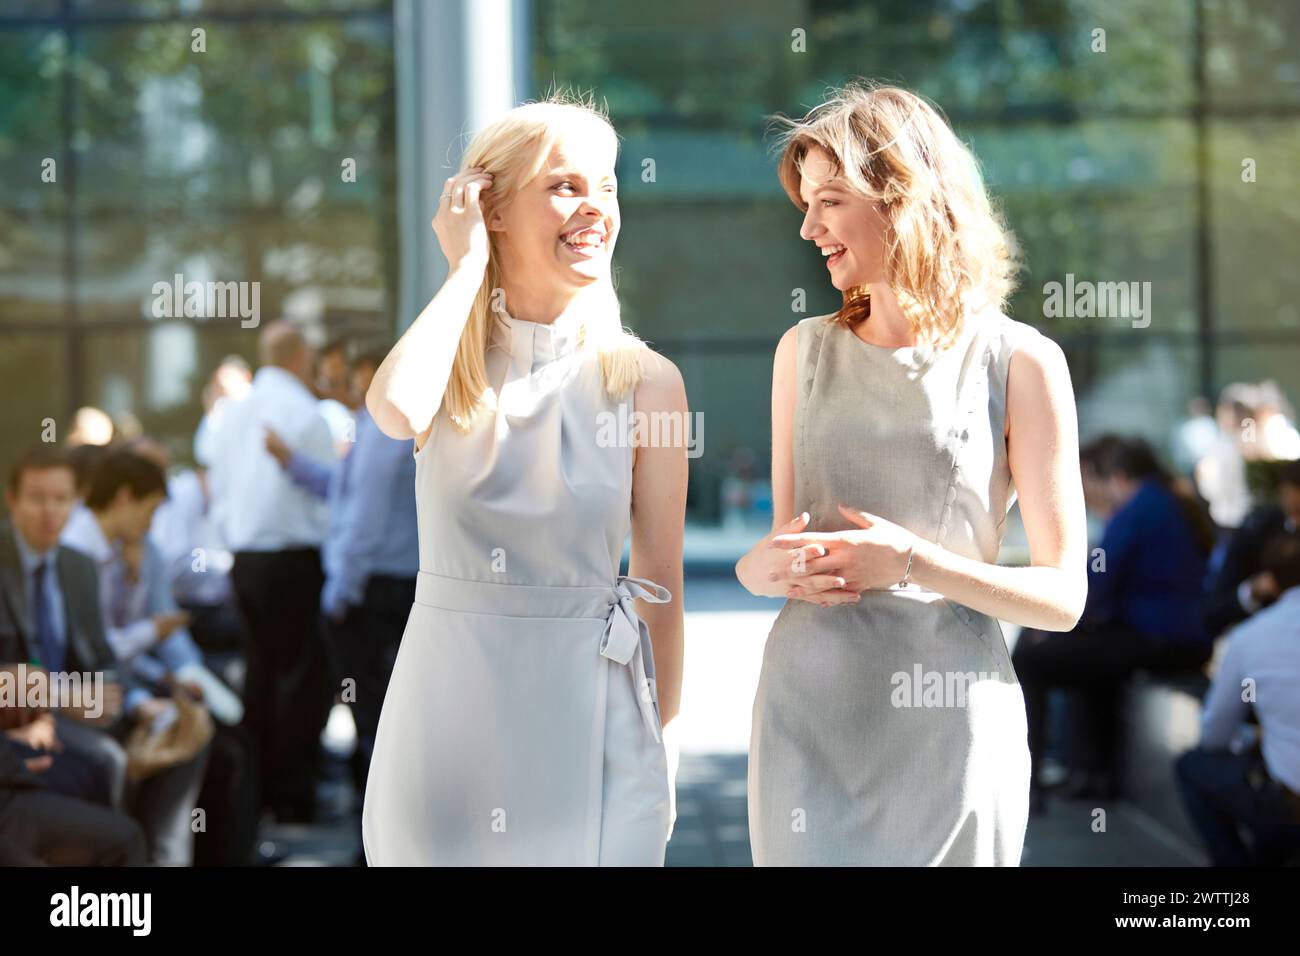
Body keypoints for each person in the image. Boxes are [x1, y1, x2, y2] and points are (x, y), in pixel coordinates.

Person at [735, 81, 1088, 866]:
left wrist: (917, 563)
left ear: (900, 196)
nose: (808, 226)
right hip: (806, 720)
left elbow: (1065, 599)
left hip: (951, 730)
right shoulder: (803, 352)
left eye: (829, 200)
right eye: (805, 203)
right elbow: (782, 553)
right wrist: (756, 569)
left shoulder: (1020, 360)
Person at [361, 93, 689, 865]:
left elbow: (660, 584)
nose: (597, 208)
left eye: (608, 185)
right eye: (565, 185)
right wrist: (467, 264)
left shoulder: (648, 382)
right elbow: (395, 409)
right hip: (443, 731)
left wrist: (659, 755)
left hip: (597, 727)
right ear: (491, 208)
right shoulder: (446, 366)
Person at [0, 444, 210, 865]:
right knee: (106, 758)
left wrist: (128, 700)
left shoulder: (76, 566)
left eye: (61, 500)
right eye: (38, 498)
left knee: (188, 733)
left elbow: (100, 657)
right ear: (13, 501)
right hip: (26, 711)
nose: (50, 512)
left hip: (80, 703)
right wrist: (58, 699)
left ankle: (163, 857)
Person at [1014, 435, 1215, 809]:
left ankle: (1030, 782)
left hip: (1159, 639)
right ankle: (1091, 774)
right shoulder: (1167, 501)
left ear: (1119, 477)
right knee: (1087, 660)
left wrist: (1051, 619)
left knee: (1031, 658)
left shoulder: (1139, 507)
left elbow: (1098, 579)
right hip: (1176, 638)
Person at [205, 320, 338, 822]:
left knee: (259, 674)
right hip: (294, 561)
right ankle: (290, 794)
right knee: (300, 678)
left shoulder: (232, 412)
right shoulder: (306, 413)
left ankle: (254, 791)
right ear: (301, 356)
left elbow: (217, 486)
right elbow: (332, 500)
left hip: (245, 560)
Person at [1176, 532, 1300, 865]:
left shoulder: (1250, 638)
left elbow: (1214, 733)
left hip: (1288, 800)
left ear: (1270, 581)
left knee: (1191, 767)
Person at [1202, 458, 1300, 639]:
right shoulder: (1257, 532)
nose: (1296, 523)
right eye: (1294, 512)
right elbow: (1214, 611)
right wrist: (1253, 591)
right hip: (1267, 638)